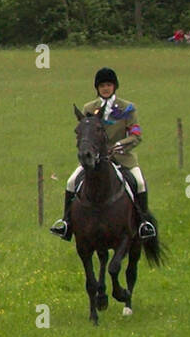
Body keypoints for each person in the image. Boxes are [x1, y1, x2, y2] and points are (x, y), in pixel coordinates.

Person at [50, 68, 155, 241]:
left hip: (123, 158)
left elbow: (136, 135)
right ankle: (66, 223)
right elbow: (86, 133)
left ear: (114, 86)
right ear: (97, 88)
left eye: (108, 85)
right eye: (102, 85)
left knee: (140, 183)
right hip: (94, 159)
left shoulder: (127, 108)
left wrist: (119, 145)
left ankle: (144, 224)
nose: (105, 88)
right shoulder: (89, 108)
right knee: (70, 182)